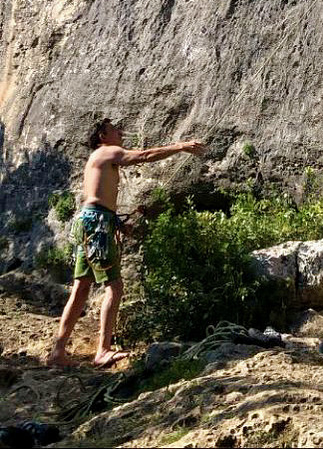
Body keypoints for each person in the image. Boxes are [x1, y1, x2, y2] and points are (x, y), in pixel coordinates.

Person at [47, 118, 206, 368]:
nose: (120, 133)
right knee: (115, 287)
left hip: (90, 221)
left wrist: (119, 225)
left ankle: (58, 352)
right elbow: (144, 155)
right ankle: (102, 350)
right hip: (97, 224)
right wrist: (181, 146)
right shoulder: (108, 151)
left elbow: (96, 199)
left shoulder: (97, 159)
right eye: (114, 130)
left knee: (80, 288)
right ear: (102, 135)